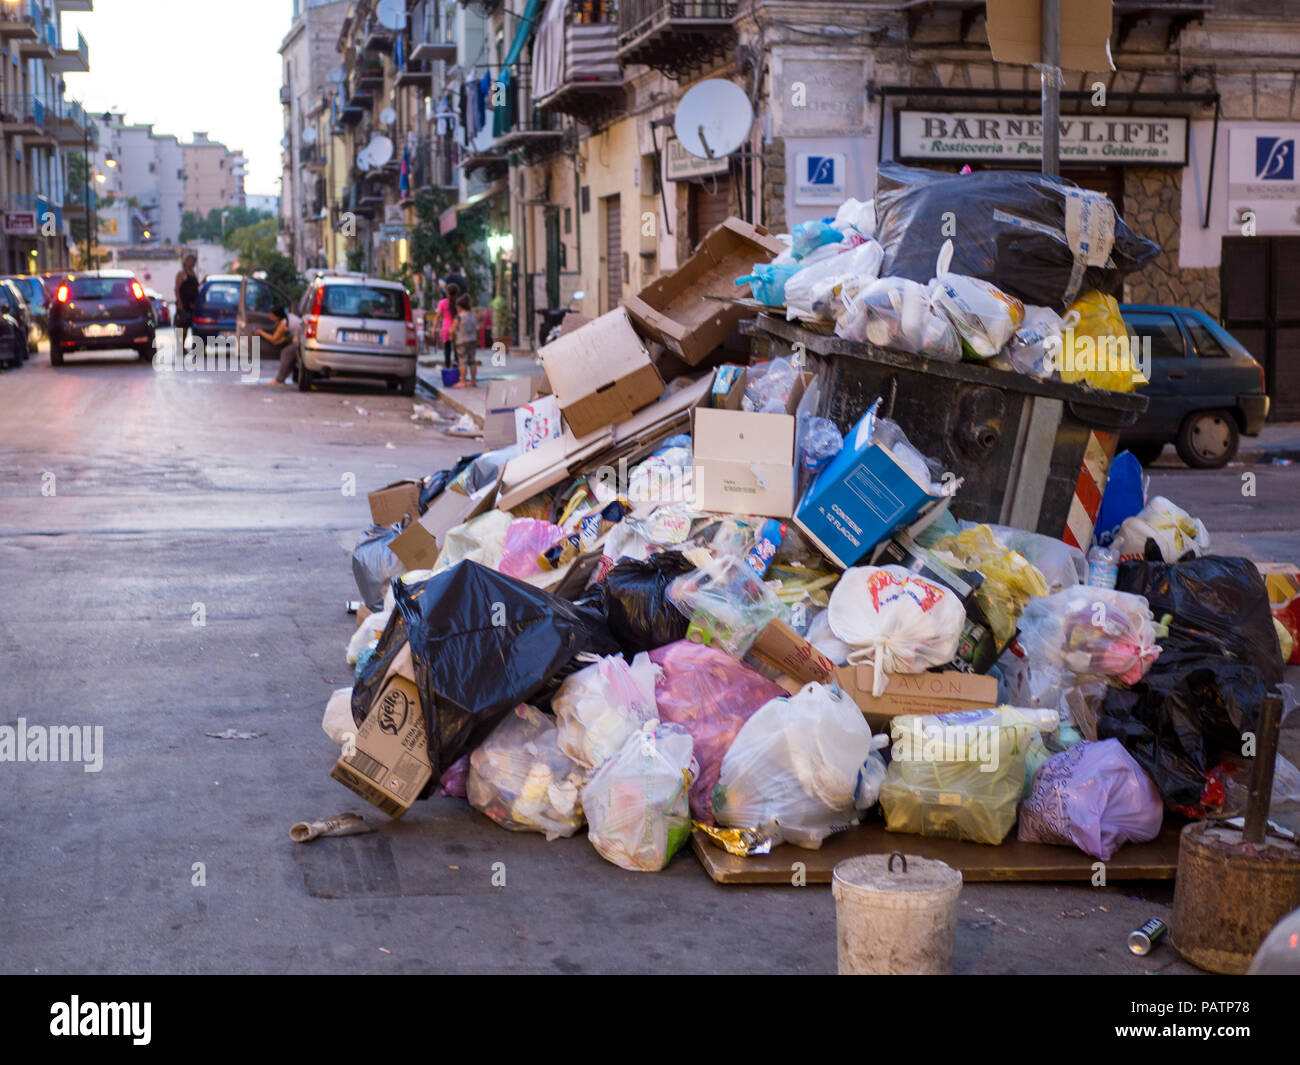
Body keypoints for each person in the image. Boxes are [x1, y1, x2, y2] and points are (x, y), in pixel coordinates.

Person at [255, 306, 298, 386]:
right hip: (299, 339)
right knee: (288, 353)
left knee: (286, 353)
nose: (270, 317)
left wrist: (261, 332)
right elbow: (284, 337)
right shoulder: (287, 318)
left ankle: (279, 380)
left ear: (277, 316)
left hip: (299, 341)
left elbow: (273, 339)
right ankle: (284, 376)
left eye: (272, 316)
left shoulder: (283, 324)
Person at [174, 254, 199, 352]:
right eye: (191, 261)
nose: (192, 263)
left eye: (194, 261)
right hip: (184, 304)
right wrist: (179, 303)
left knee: (192, 325)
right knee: (183, 326)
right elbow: (176, 289)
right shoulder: (181, 274)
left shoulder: (193, 273)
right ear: (186, 262)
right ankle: (181, 347)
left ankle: (195, 345)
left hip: (193, 304)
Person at [433, 281, 461, 368]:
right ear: (457, 293)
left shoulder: (442, 302)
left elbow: (437, 317)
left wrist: (434, 329)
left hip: (446, 329)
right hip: (457, 328)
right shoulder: (459, 303)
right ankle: (457, 370)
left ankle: (448, 369)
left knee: (447, 350)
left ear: (447, 292)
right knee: (457, 351)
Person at [454, 292, 479, 388]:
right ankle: (473, 381)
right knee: (472, 361)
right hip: (472, 340)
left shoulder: (459, 317)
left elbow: (453, 329)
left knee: (463, 362)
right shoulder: (473, 316)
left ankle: (463, 381)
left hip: (462, 341)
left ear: (460, 306)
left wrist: (451, 332)